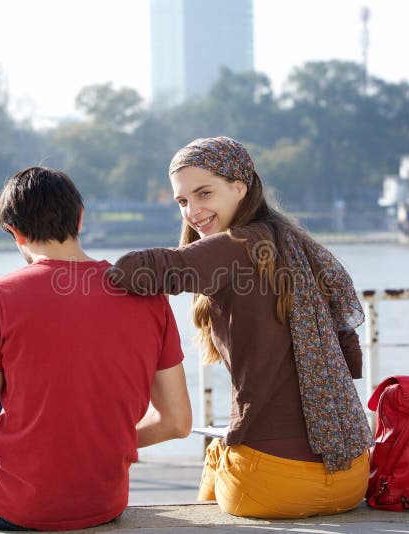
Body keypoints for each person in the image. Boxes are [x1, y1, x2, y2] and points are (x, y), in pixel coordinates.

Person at [0, 166, 192, 531]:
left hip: (18, 507)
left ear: (15, 231)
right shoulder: (148, 296)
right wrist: (94, 444)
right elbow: (177, 422)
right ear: (81, 217)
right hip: (104, 503)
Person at [108, 136, 373, 519]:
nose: (193, 211)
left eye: (204, 194)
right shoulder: (297, 245)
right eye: (182, 202)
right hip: (351, 477)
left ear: (240, 186)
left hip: (277, 485)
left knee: (219, 454)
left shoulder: (238, 245)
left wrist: (83, 275)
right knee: (226, 449)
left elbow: (137, 271)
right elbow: (347, 356)